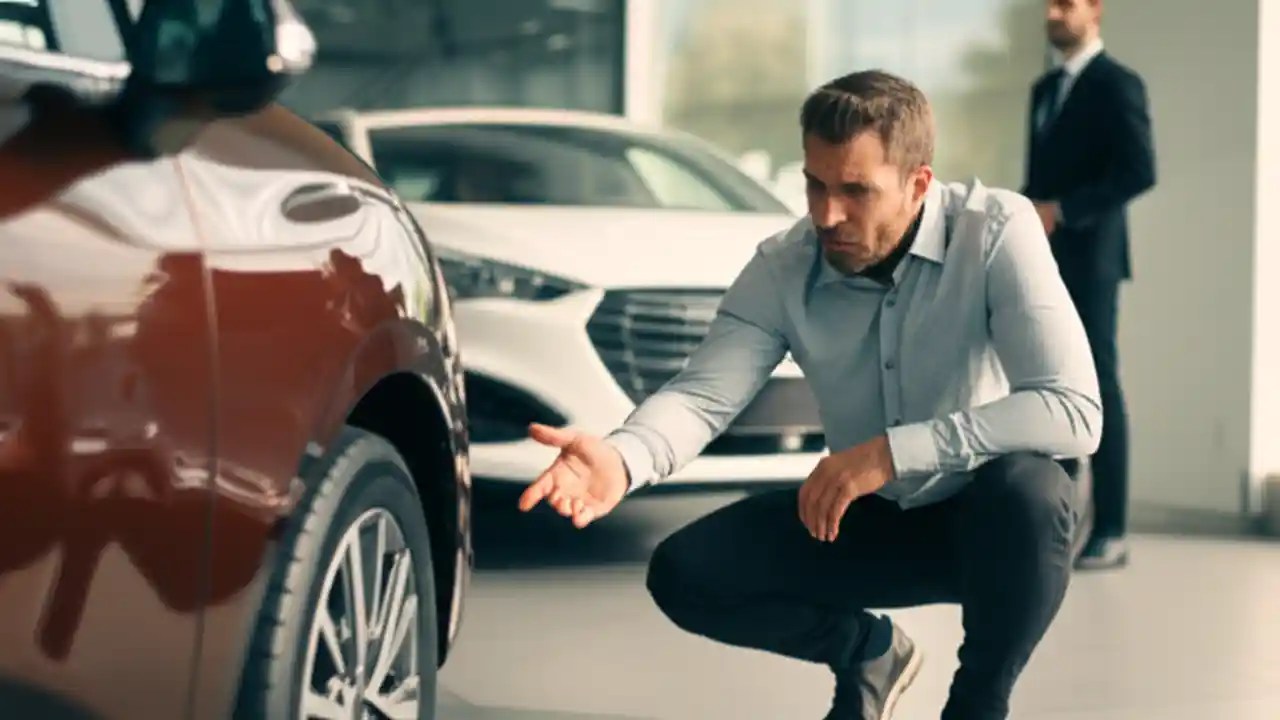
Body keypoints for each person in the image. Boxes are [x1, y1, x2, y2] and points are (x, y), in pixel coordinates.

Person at [519, 69, 1101, 720]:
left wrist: (892, 451)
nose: (828, 214)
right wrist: (623, 459)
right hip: (871, 517)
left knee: (1032, 490)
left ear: (919, 185)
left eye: (856, 190)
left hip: (990, 524)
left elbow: (1073, 409)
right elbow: (703, 395)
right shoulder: (783, 265)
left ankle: (977, 704)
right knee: (684, 573)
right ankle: (869, 651)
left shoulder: (995, 231)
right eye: (815, 185)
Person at [1022, 0, 1156, 571]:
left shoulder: (1117, 84)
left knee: (1100, 382)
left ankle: (1114, 529)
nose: (1053, 13)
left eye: (1066, 4)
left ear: (1095, 10)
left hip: (1093, 262)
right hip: (1043, 259)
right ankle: (1057, 520)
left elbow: (1139, 170)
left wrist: (1064, 211)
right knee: (1049, 378)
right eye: (1048, 5)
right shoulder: (1043, 87)